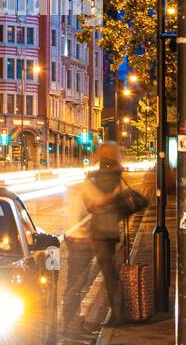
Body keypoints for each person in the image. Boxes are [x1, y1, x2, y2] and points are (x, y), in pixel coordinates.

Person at [61, 143, 145, 334]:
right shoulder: (99, 180)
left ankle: (73, 324)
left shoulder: (95, 179)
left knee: (86, 280)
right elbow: (95, 204)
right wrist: (114, 195)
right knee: (99, 278)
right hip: (91, 235)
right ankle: (75, 324)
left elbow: (94, 205)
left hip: (93, 235)